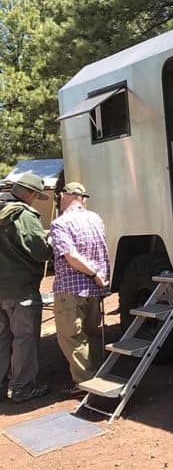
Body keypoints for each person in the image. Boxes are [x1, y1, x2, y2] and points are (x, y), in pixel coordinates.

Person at [49, 182, 110, 395]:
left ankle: (85, 384)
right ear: (82, 198)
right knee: (93, 332)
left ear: (65, 196)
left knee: (72, 337)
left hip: (71, 288)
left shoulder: (60, 223)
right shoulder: (96, 219)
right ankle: (100, 375)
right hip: (95, 288)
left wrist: (91, 273)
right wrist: (98, 277)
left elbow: (71, 256)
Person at [0, 173, 53, 403]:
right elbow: (39, 250)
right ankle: (22, 387)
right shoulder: (24, 215)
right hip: (21, 289)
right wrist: (50, 245)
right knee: (24, 339)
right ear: (30, 193)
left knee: (2, 339)